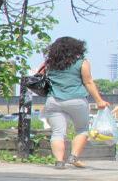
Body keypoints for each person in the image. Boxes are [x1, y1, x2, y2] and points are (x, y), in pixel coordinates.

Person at [40, 37, 110, 169]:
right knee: (82, 129)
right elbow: (88, 82)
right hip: (76, 101)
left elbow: (39, 76)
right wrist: (99, 101)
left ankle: (59, 161)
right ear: (77, 48)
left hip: (53, 101)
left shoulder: (49, 64)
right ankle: (73, 157)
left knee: (57, 133)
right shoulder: (82, 62)